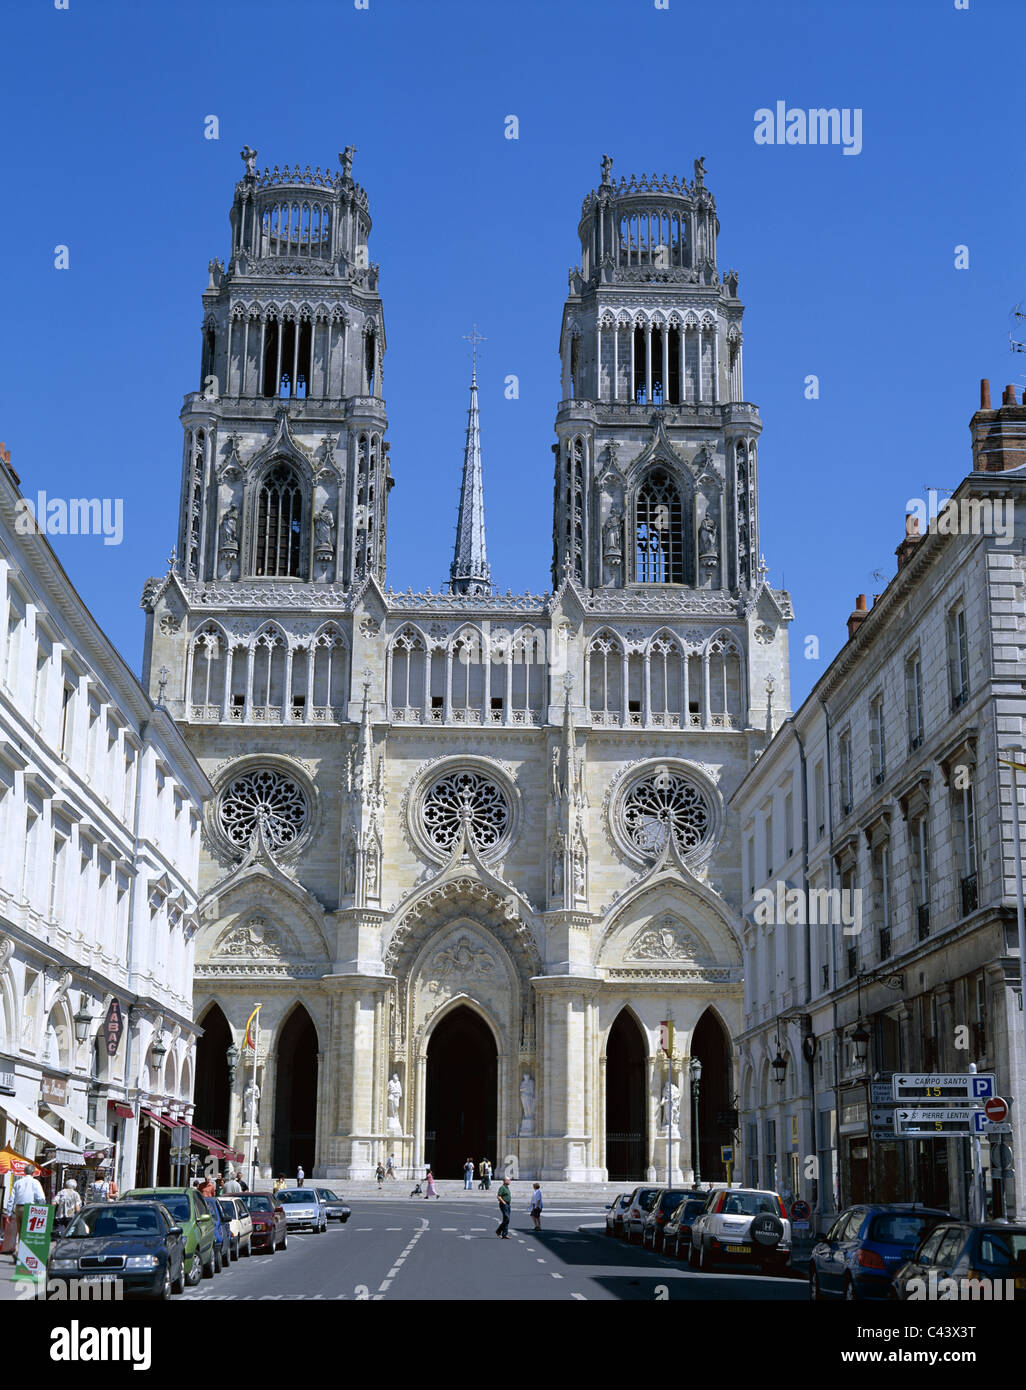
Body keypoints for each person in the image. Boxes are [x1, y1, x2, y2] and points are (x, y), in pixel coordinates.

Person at [6, 1168, 46, 1261]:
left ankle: (18, 1252)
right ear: (33, 1172)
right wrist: (43, 1208)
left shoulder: (18, 1182)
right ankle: (24, 1255)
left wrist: (9, 1213)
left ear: (24, 1172)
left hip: (18, 1208)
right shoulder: (35, 1182)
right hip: (30, 1208)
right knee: (29, 1232)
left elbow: (11, 1198)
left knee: (20, 1232)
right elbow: (41, 1197)